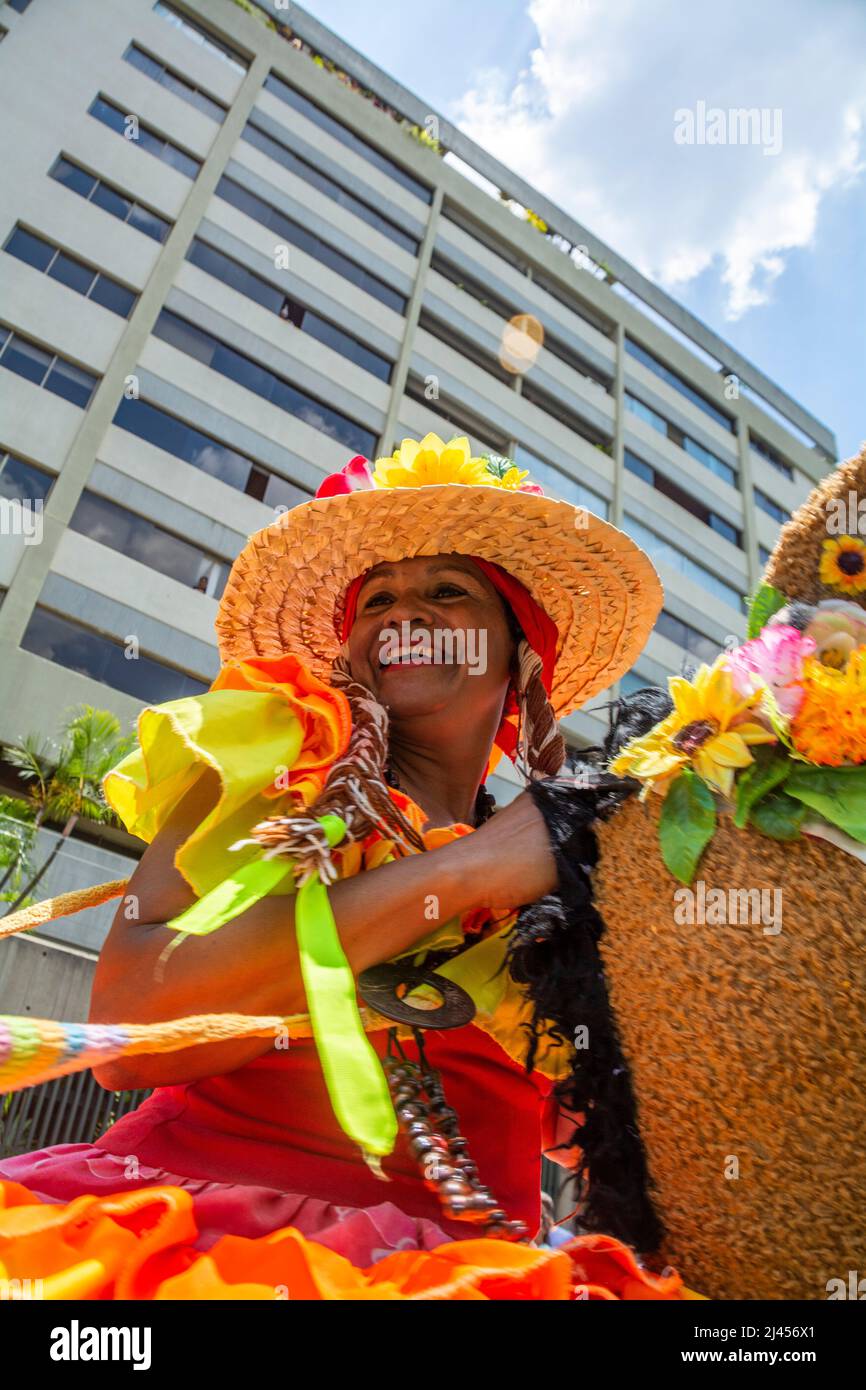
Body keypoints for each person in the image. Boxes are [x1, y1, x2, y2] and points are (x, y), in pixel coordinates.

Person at [0, 433, 684, 1299]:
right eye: (378, 600)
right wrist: (478, 869)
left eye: (448, 591)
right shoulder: (270, 766)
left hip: (484, 1275)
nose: (404, 615)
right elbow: (131, 1030)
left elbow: (608, 1127)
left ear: (523, 657)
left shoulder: (580, 875)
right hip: (205, 1246)